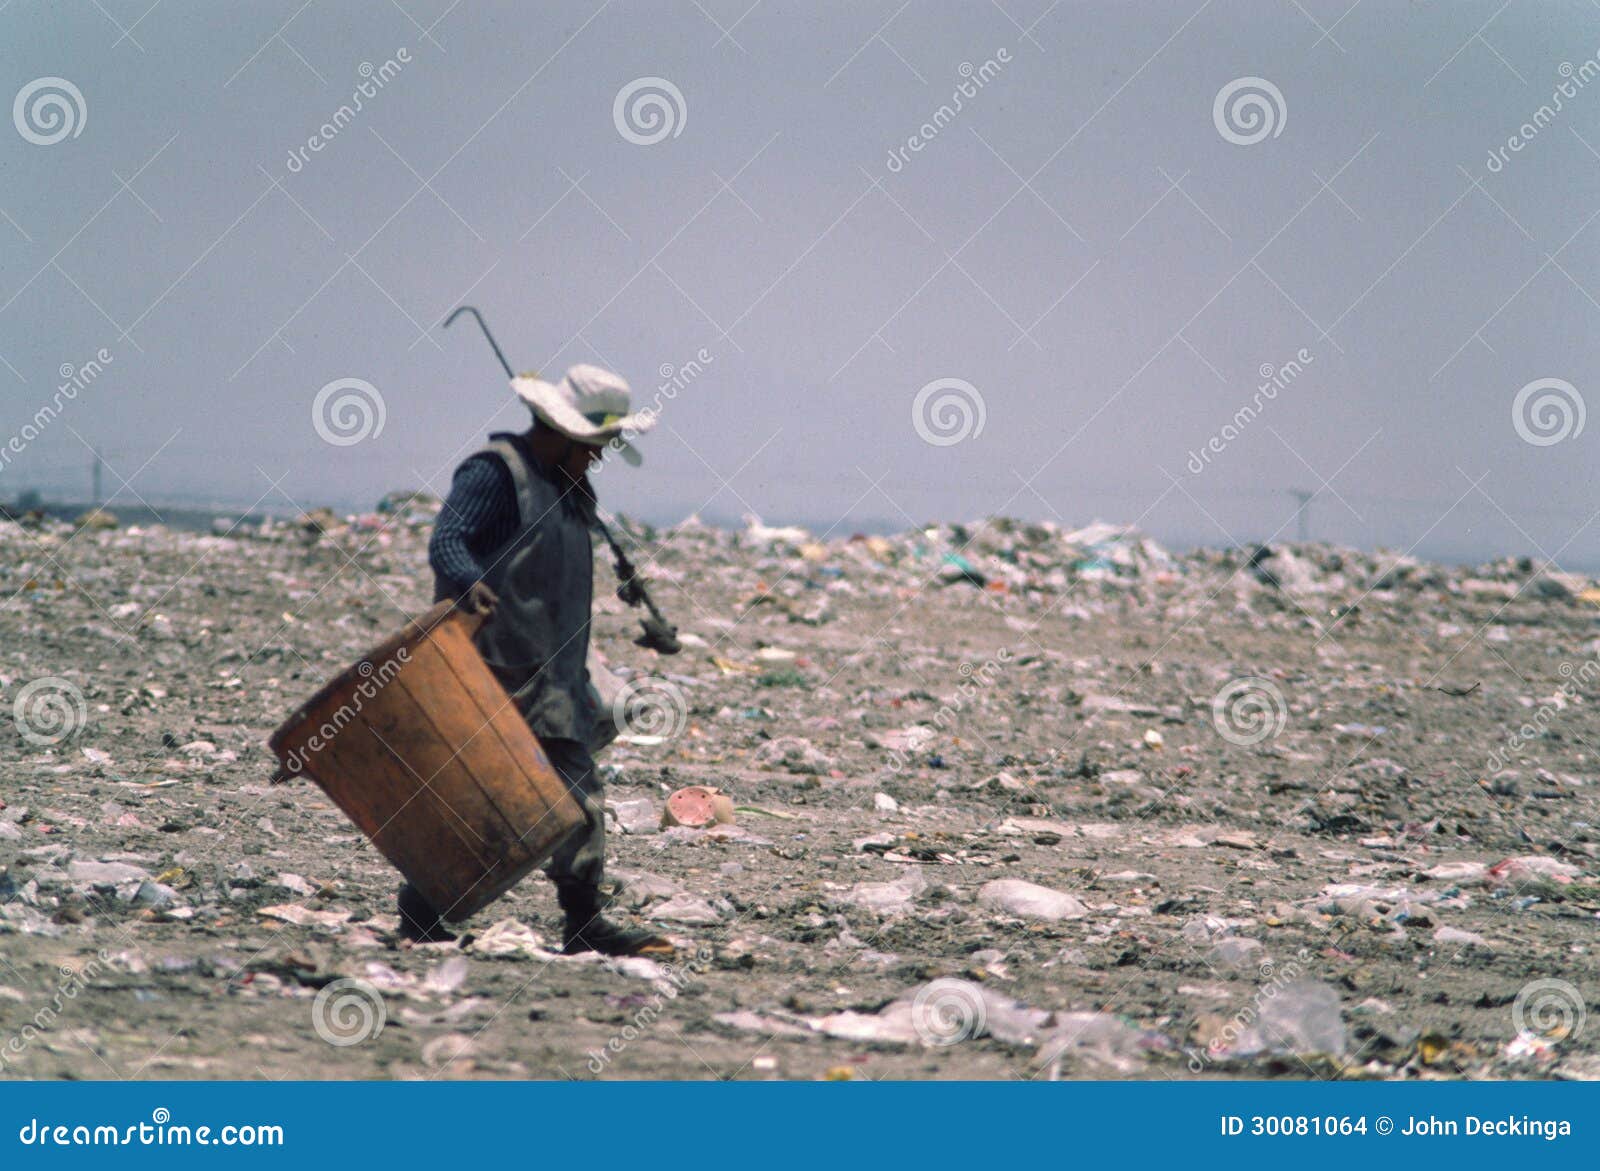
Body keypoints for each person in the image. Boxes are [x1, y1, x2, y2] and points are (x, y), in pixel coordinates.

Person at [405, 363, 671, 957]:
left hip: (554, 672)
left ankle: (581, 922)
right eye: (594, 445)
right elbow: (449, 539)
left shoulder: (571, 488)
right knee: (476, 794)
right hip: (488, 669)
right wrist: (470, 582)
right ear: (562, 431)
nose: (598, 457)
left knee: (575, 793)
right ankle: (419, 911)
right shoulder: (494, 475)